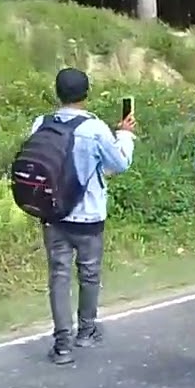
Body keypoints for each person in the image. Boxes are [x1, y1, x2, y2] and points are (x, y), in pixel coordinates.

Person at [27, 68, 137, 366]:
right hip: (88, 216)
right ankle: (86, 331)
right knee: (89, 273)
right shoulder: (95, 128)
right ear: (86, 94)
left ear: (57, 92)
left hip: (52, 213)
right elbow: (121, 163)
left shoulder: (41, 123)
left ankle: (62, 345)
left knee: (59, 277)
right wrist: (124, 135)